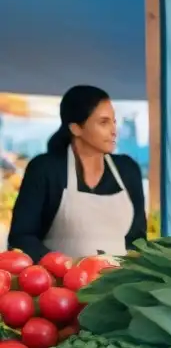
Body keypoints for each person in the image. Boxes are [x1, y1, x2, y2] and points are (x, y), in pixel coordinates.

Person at [8, 86, 146, 261]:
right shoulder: (45, 169)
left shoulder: (127, 170)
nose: (114, 131)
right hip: (59, 277)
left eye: (114, 121)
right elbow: (21, 238)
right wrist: (63, 266)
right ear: (76, 128)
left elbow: (138, 240)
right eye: (103, 122)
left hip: (118, 277)